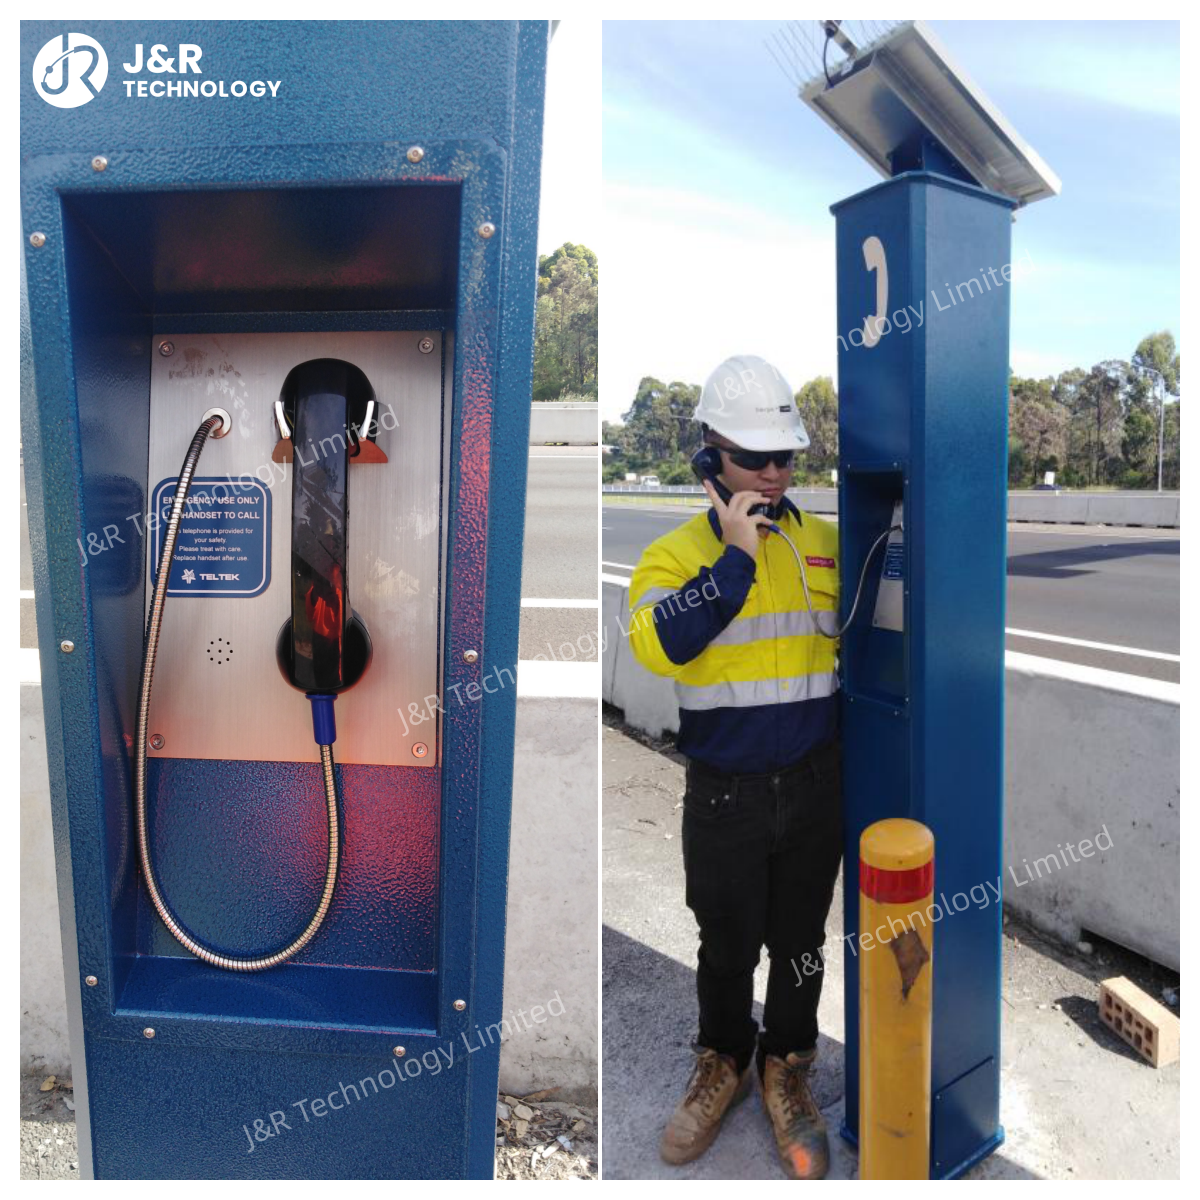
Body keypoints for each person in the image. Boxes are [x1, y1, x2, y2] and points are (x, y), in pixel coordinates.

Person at [628, 355, 843, 1180]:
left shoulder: (822, 542)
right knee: (726, 947)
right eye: (754, 457)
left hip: (815, 787)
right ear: (708, 457)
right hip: (726, 799)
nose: (774, 472)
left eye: (785, 456)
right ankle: (722, 1058)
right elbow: (660, 643)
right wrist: (734, 557)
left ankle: (785, 1064)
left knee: (800, 945)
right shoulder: (674, 558)